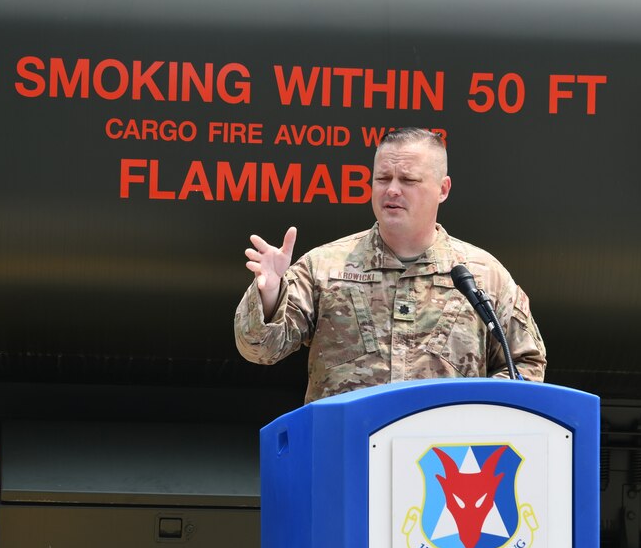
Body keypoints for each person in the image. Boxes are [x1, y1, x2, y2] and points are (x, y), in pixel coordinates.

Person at [234, 127, 546, 403]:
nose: (392, 190)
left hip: (441, 462)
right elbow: (260, 350)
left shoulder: (482, 276)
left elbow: (525, 365)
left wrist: (471, 414)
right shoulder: (324, 267)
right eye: (383, 178)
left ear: (443, 189)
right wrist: (270, 295)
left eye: (408, 179)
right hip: (346, 454)